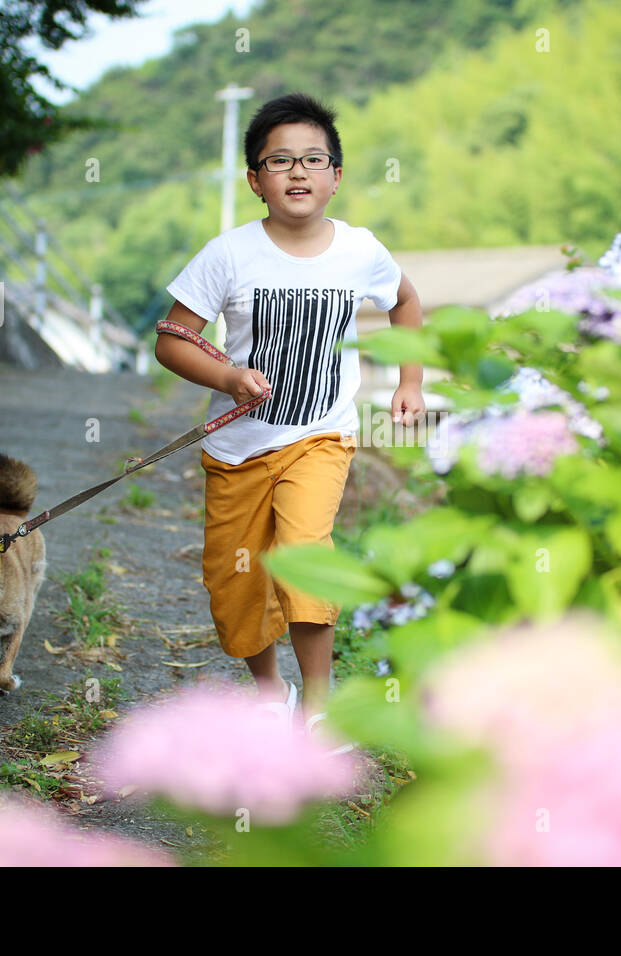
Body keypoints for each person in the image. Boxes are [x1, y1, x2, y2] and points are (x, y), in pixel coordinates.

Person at [153, 92, 426, 740]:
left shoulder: (360, 250)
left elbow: (407, 301)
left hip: (321, 436)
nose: (298, 172)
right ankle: (269, 689)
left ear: (336, 175)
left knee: (304, 555)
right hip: (239, 446)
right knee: (234, 584)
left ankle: (319, 708)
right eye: (280, 161)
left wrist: (409, 382)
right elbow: (170, 338)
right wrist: (226, 375)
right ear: (255, 179)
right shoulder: (228, 254)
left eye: (313, 159)